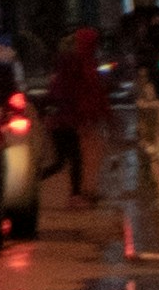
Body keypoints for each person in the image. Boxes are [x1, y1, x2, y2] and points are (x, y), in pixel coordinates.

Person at [46, 14, 112, 199]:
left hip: (79, 117)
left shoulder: (77, 63)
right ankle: (84, 190)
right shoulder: (79, 64)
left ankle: (83, 190)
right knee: (83, 155)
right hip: (80, 117)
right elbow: (88, 91)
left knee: (81, 156)